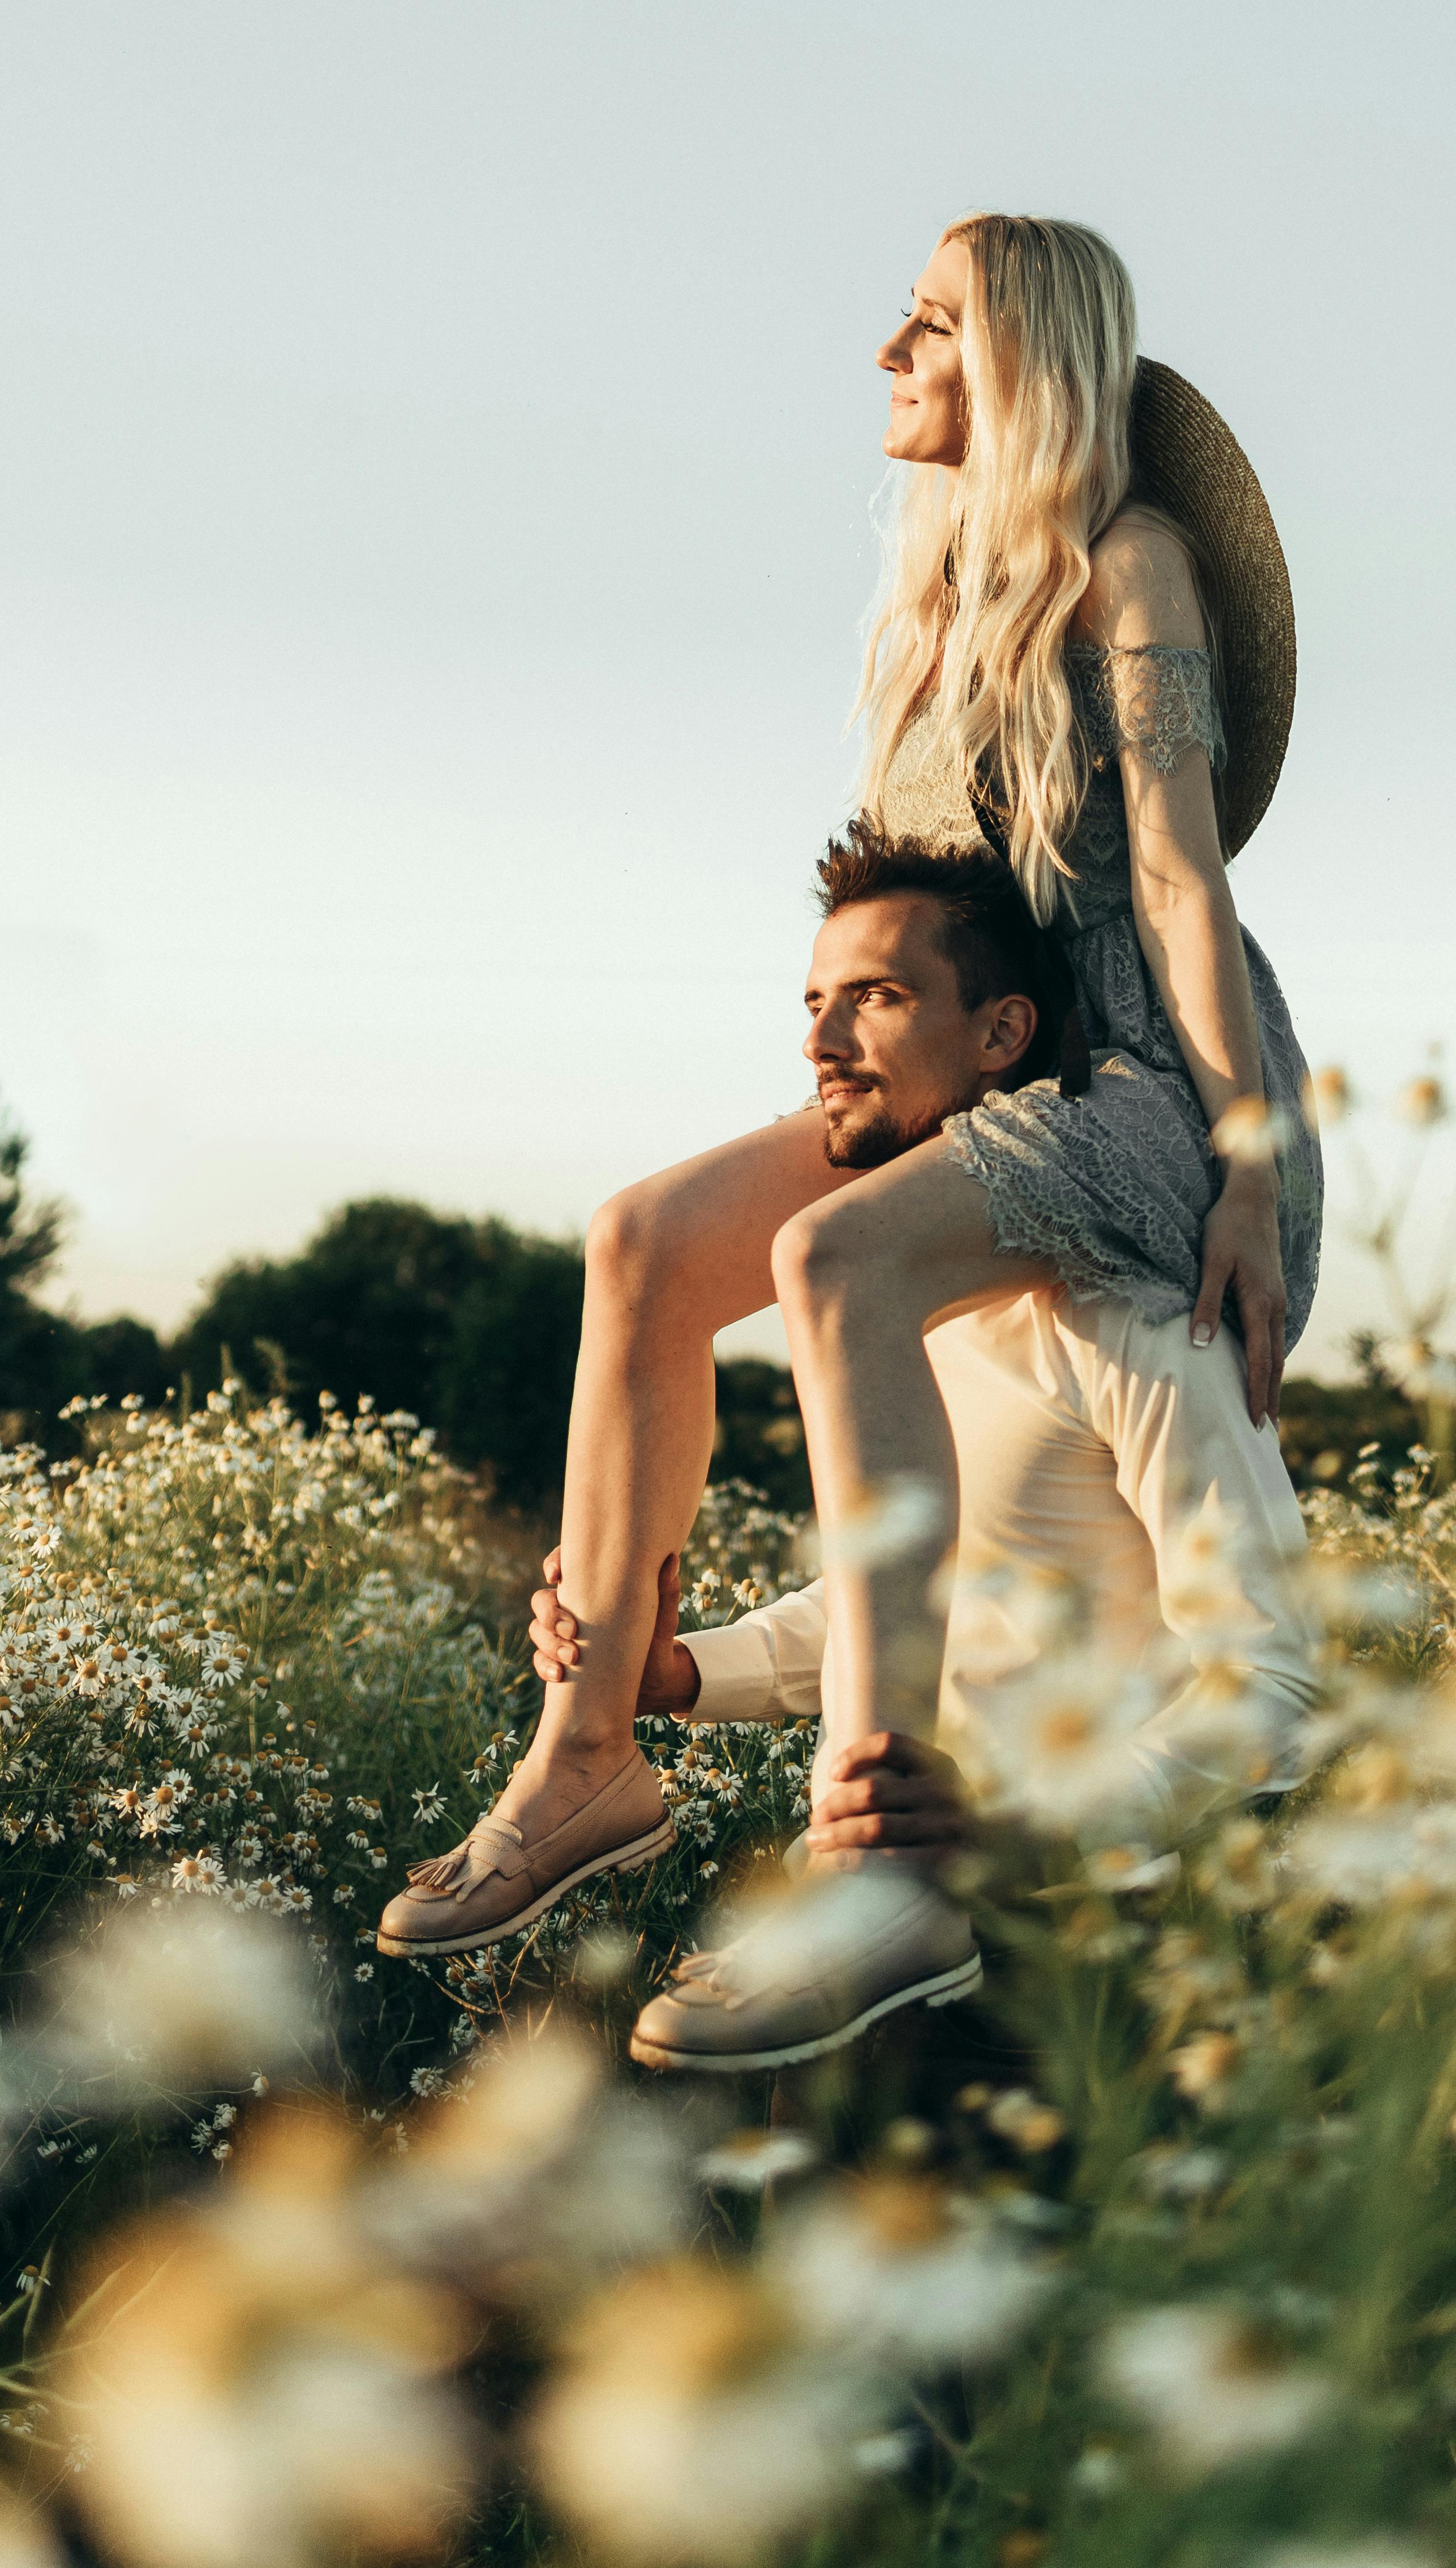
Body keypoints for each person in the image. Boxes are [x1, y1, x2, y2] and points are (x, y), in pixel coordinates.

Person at [377, 213, 1322, 2061]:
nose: (884, 353)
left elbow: (1172, 871)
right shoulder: (927, 592)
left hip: (1131, 1077)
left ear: (1025, 357)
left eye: (927, 324)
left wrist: (1254, 1155)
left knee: (831, 1257)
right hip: (973, 1066)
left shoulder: (1127, 563)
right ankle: (585, 1757)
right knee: (643, 1239)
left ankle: (873, 1856)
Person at [522, 829, 1324, 2074]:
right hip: (841, 1953)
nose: (819, 1046)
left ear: (1004, 1036)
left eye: (877, 1001)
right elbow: (900, 1602)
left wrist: (1019, 1827)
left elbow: (1271, 1686)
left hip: (1082, 1963)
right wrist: (681, 1676)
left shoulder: (1140, 1325)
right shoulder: (896, 1314)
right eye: (814, 1003)